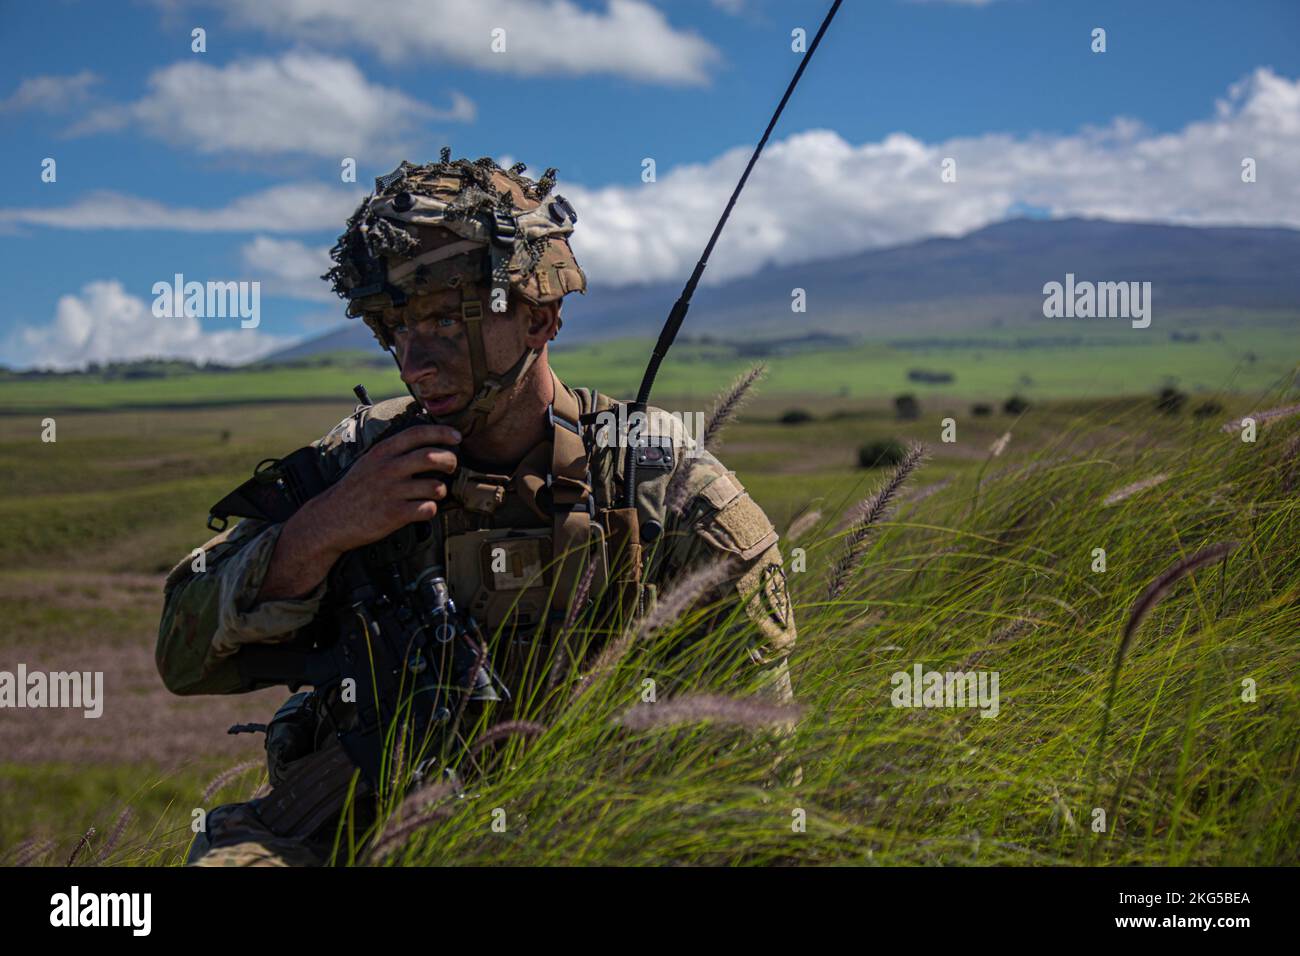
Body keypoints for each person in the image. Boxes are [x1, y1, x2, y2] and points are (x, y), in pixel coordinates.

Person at [156, 152, 796, 866]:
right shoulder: (356, 462)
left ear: (539, 317)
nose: (414, 360)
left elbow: (760, 769)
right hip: (356, 830)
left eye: (441, 319)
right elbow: (181, 658)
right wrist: (322, 531)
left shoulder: (658, 484)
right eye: (393, 326)